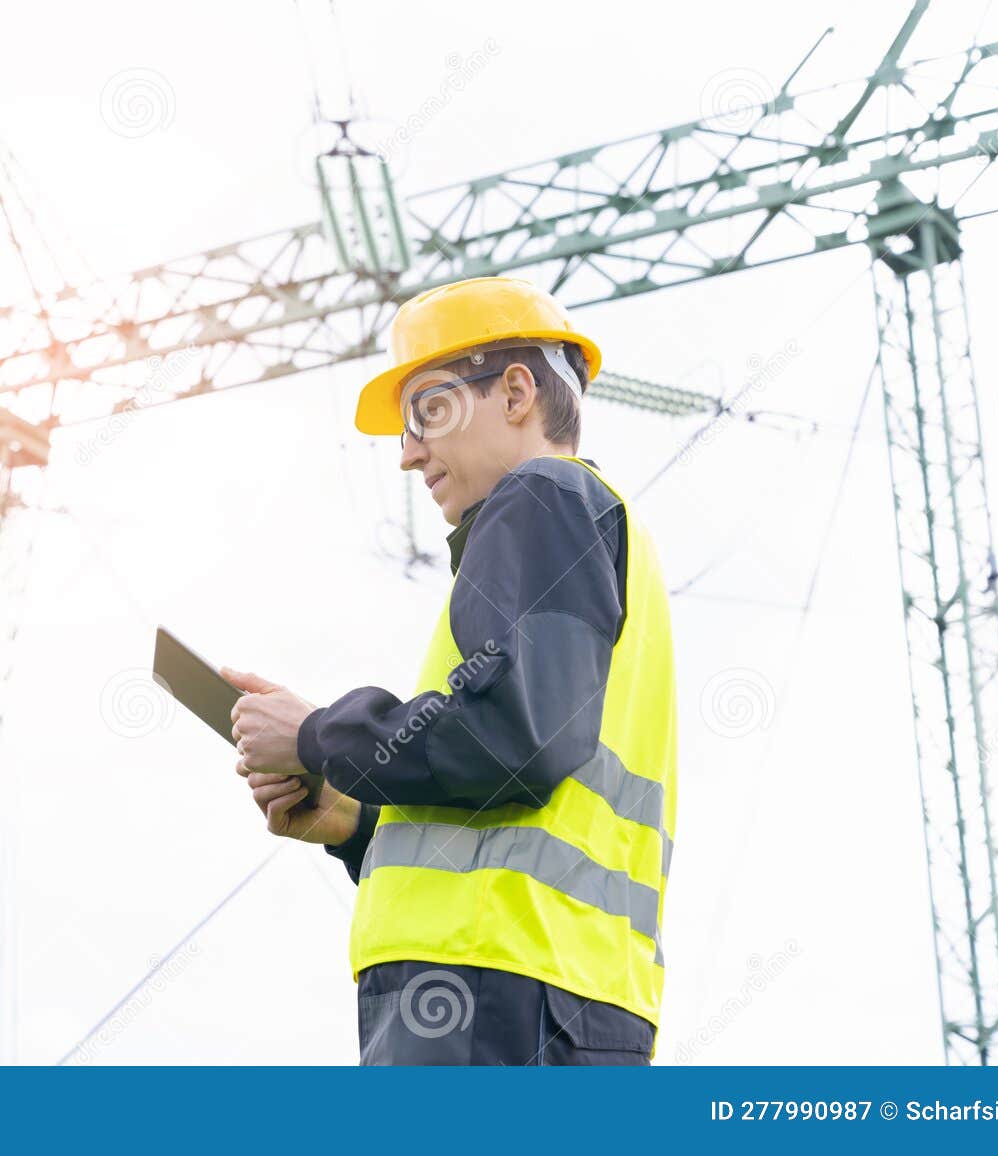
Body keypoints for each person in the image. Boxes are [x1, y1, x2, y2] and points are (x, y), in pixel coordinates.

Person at [224, 276, 677, 1066]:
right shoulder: (600, 530)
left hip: (489, 989)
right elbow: (531, 794)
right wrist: (359, 827)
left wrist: (317, 735)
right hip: (565, 1000)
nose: (407, 452)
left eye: (428, 409)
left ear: (514, 392)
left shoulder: (542, 496)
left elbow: (516, 739)